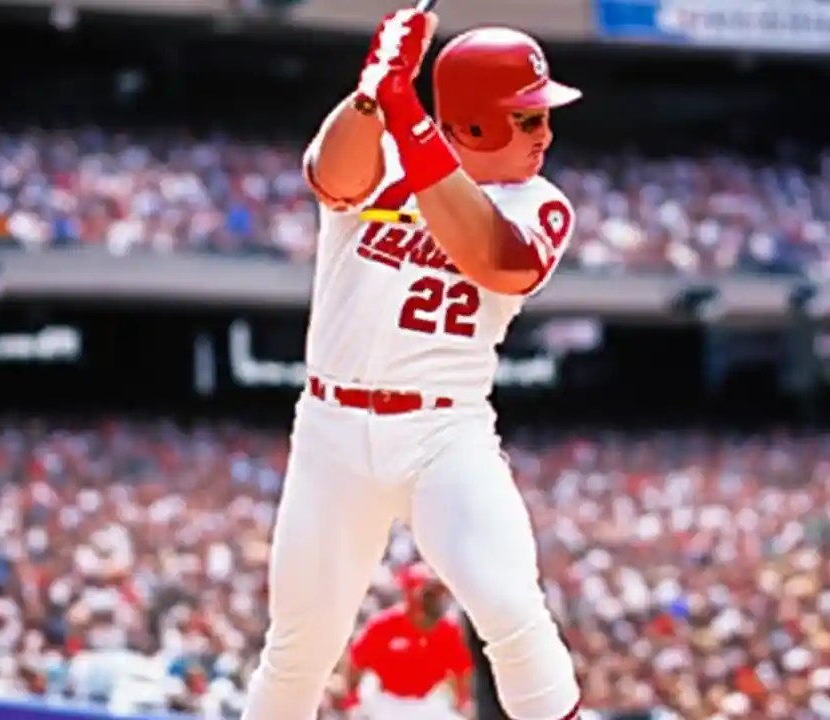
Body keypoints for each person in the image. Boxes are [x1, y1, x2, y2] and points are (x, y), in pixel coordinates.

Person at [240, 7, 584, 720]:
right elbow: (330, 178)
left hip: (442, 436)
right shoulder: (384, 155)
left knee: (512, 612)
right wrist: (373, 92)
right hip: (333, 432)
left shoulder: (540, 203)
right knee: (300, 648)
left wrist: (409, 116)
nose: (545, 133)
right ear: (478, 122)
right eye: (527, 118)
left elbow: (494, 258)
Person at [342, 564, 472, 719]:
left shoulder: (448, 630)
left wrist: (462, 700)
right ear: (412, 595)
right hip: (388, 702)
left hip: (429, 702)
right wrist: (352, 699)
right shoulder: (384, 625)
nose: (437, 601)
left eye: (439, 595)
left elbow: (462, 670)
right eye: (430, 595)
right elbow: (356, 662)